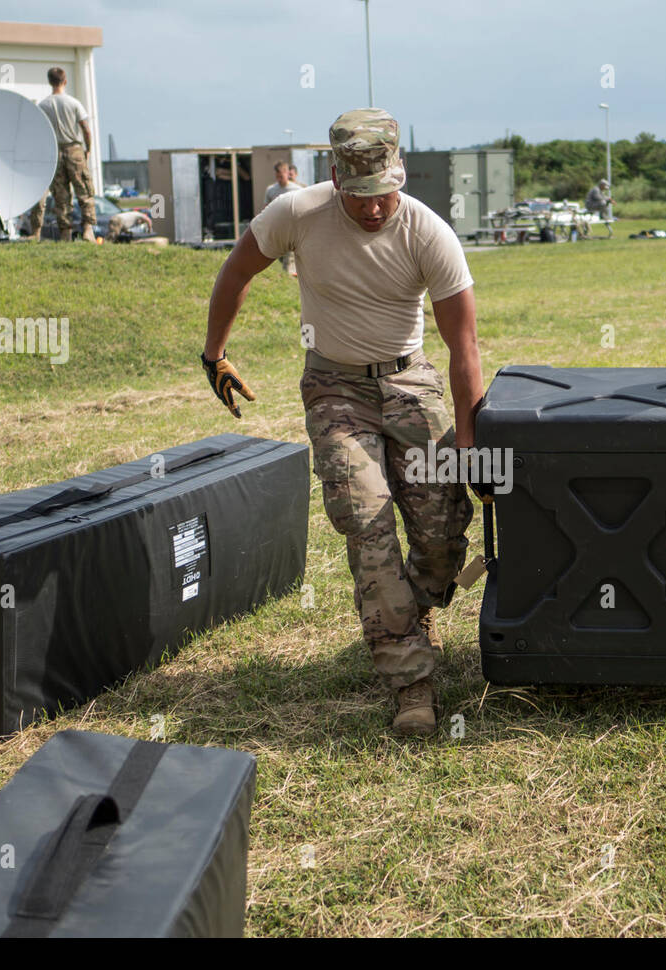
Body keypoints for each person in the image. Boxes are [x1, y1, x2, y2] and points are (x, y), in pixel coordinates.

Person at [201, 108, 485, 736]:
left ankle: (416, 607)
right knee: (367, 520)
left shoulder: (428, 233)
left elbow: (463, 347)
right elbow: (237, 269)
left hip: (411, 382)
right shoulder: (296, 213)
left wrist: (467, 444)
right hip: (335, 388)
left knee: (441, 535)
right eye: (359, 197)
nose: (374, 209)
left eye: (384, 194)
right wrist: (214, 352)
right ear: (334, 177)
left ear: (399, 176)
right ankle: (411, 682)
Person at [24, 67, 96, 242]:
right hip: (74, 150)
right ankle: (87, 229)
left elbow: (38, 131)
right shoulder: (73, 103)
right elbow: (85, 128)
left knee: (61, 196)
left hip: (55, 151)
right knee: (84, 191)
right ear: (65, 81)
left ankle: (65, 233)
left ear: (49, 82)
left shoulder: (43, 105)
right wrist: (88, 148)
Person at [263, 162, 302, 275]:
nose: (279, 179)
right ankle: (289, 274)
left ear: (287, 173)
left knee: (289, 257)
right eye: (277, 177)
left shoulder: (297, 189)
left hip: (292, 227)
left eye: (281, 176)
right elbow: (266, 209)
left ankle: (288, 275)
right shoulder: (271, 190)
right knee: (279, 254)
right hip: (277, 228)